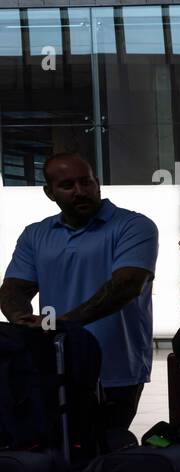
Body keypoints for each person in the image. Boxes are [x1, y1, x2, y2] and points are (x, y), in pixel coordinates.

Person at [0, 153, 158, 430]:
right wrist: (23, 322)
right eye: (68, 185)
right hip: (57, 366)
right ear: (49, 192)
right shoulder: (35, 234)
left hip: (117, 368)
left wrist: (64, 324)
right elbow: (13, 290)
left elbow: (127, 285)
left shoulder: (133, 226)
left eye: (86, 182)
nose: (80, 191)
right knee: (59, 453)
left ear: (97, 183)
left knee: (105, 452)